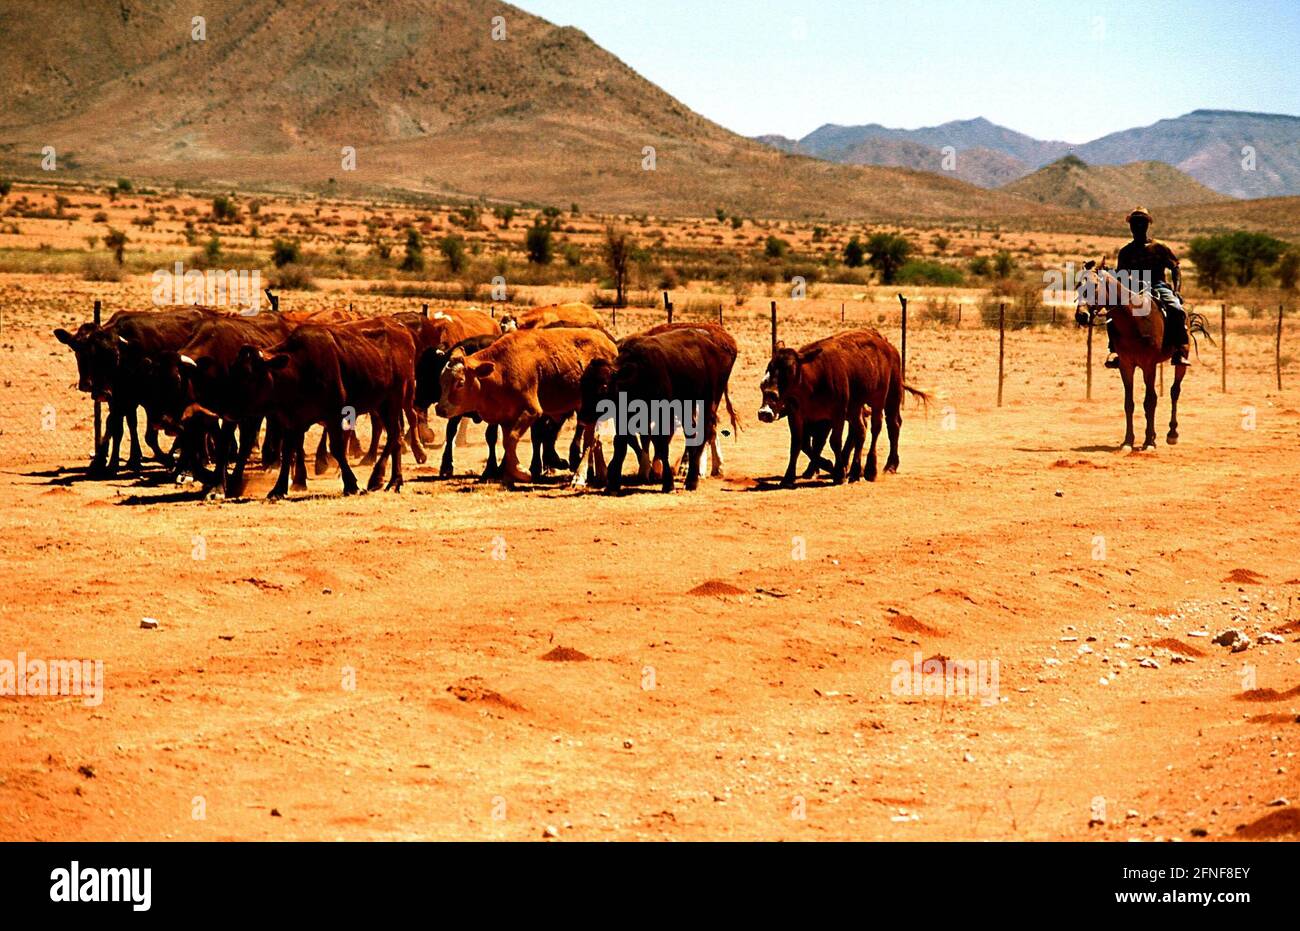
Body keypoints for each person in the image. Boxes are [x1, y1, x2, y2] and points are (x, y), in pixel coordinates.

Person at [1105, 206, 1190, 368]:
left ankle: (1179, 349)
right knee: (1113, 313)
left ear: (1147, 225)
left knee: (1176, 309)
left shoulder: (1159, 247)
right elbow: (1120, 276)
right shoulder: (1125, 252)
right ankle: (1115, 350)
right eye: (1134, 223)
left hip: (1158, 285)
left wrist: (1176, 290)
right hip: (1134, 288)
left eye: (1141, 223)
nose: (1137, 226)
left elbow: (1175, 267)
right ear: (1130, 226)